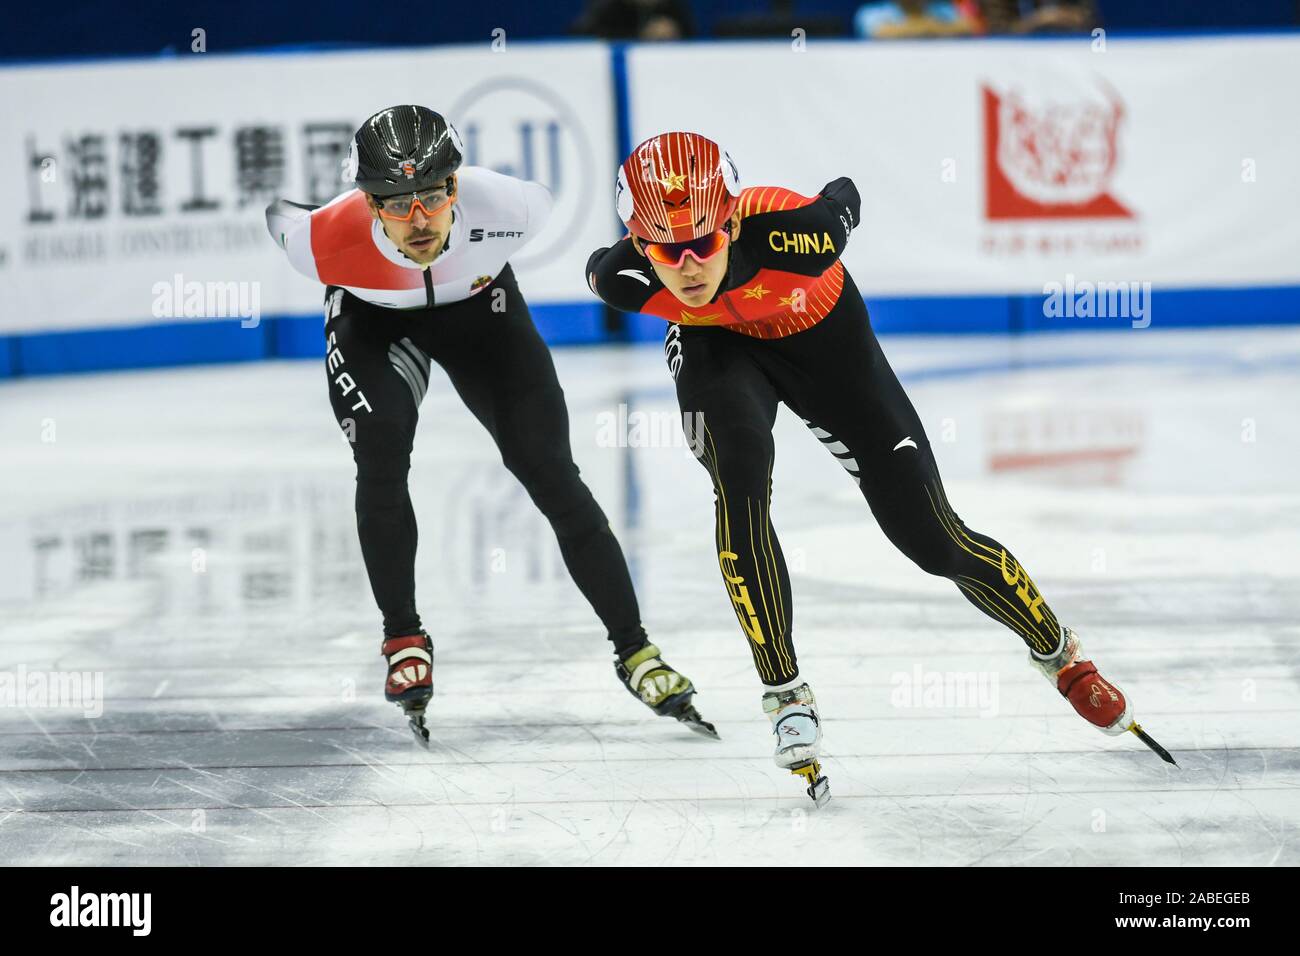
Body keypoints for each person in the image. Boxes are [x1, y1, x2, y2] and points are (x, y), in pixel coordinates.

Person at [585, 131, 1171, 804]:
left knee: (933, 541)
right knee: (738, 476)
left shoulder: (797, 235)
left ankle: (1062, 656)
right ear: (639, 245)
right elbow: (621, 266)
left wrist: (832, 204)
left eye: (705, 243)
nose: (688, 266)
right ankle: (785, 695)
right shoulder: (619, 277)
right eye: (667, 252)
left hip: (826, 347)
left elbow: (844, 199)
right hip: (721, 352)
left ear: (735, 221)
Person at [264, 106, 716, 744]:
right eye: (395, 202)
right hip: (373, 322)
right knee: (383, 450)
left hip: (483, 311)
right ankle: (402, 636)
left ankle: (636, 649)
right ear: (366, 203)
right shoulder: (321, 242)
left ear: (457, 186)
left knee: (550, 470)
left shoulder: (511, 208)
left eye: (432, 195)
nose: (418, 219)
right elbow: (280, 218)